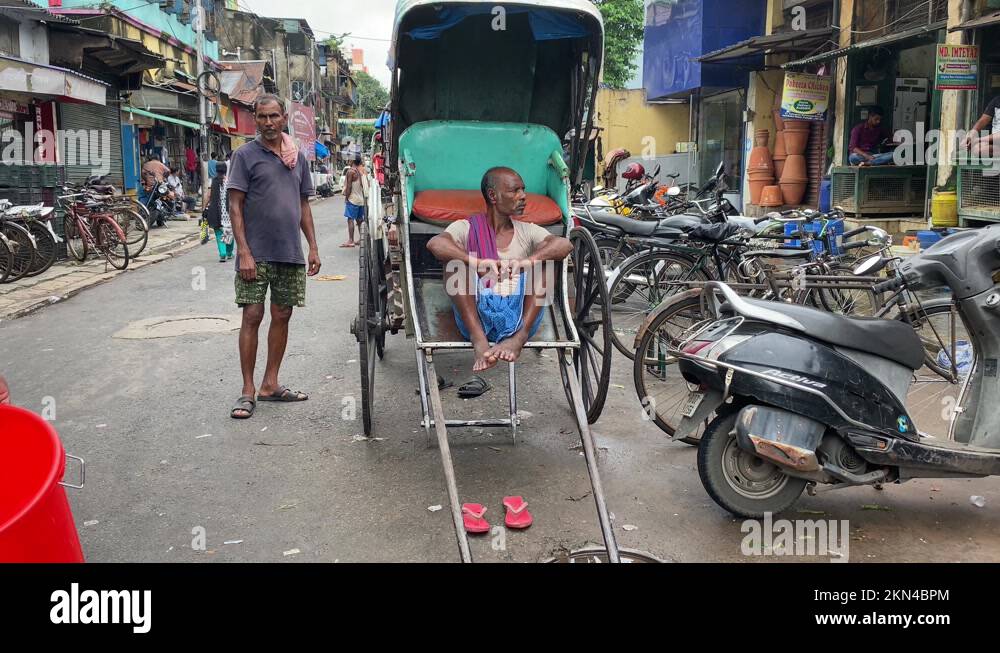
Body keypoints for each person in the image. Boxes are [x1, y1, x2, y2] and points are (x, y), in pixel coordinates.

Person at [227, 94, 321, 419]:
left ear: (284, 118)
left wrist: (313, 246)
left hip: (289, 252)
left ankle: (270, 383)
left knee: (282, 315)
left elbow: (304, 204)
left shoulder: (297, 157)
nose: (268, 123)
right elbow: (234, 205)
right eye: (262, 117)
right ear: (255, 118)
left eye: (274, 116)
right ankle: (247, 390)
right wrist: (243, 251)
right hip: (255, 253)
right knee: (252, 316)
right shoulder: (245, 156)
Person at [427, 167, 573, 372]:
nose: (523, 196)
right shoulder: (466, 227)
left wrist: (527, 262)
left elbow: (564, 245)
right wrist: (475, 262)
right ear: (493, 196)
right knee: (454, 263)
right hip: (476, 316)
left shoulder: (528, 230)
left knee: (547, 260)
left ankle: (518, 338)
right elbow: (436, 245)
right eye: (515, 191)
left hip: (521, 317)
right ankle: (479, 340)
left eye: (523, 190)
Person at [204, 161, 234, 263]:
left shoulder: (212, 181)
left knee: (218, 232)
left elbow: (208, 196)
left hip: (216, 211)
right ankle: (229, 253)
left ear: (216, 170)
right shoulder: (230, 181)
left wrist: (204, 207)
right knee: (228, 231)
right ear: (225, 170)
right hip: (228, 211)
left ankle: (222, 253)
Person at [341, 154, 368, 248]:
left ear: (352, 161)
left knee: (350, 219)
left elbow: (349, 187)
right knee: (360, 220)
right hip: (361, 200)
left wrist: (347, 197)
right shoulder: (362, 171)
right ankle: (362, 239)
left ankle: (351, 240)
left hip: (353, 199)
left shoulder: (351, 172)